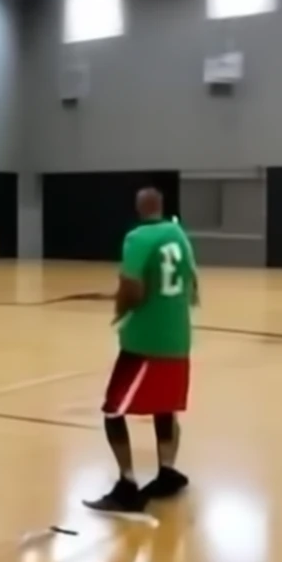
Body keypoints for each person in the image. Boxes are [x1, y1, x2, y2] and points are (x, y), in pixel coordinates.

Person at [85, 189, 197, 515]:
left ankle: (127, 486)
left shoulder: (138, 238)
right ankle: (168, 472)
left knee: (113, 410)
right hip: (178, 340)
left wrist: (120, 308)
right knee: (165, 407)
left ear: (139, 207)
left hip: (146, 344)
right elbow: (192, 285)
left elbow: (132, 287)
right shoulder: (179, 234)